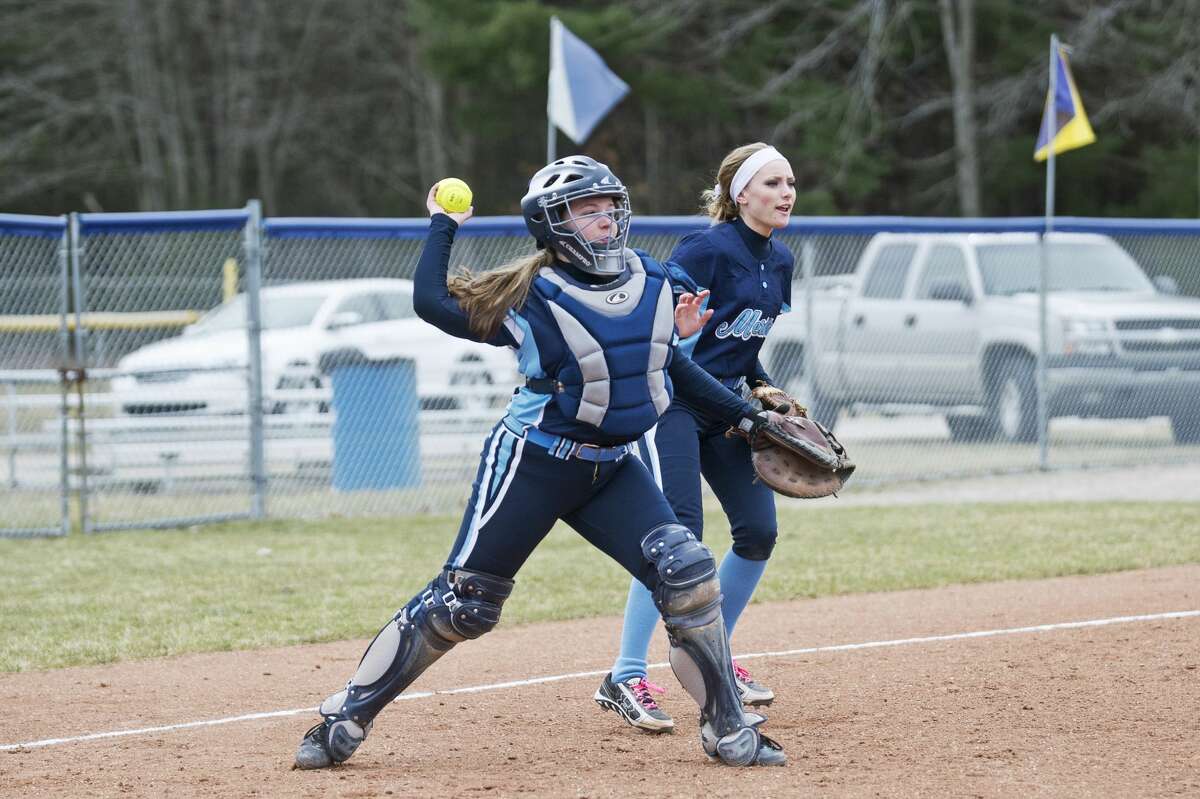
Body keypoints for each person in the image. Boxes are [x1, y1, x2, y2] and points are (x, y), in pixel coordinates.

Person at [293, 155, 787, 769]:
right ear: (552, 224)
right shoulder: (532, 295)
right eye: (585, 210)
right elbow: (431, 302)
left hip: (611, 468)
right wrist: (443, 224)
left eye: (610, 207)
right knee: (466, 603)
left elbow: (673, 367)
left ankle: (727, 726)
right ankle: (345, 715)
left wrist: (751, 418)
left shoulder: (654, 279)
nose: (604, 219)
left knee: (686, 570)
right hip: (534, 462)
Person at [593, 143, 795, 733]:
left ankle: (712, 654)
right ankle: (626, 674)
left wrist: (765, 391)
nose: (786, 193)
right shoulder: (705, 249)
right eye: (772, 183)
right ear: (740, 194)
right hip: (675, 403)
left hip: (729, 408)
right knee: (675, 539)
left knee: (758, 532)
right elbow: (662, 331)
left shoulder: (780, 260)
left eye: (790, 183)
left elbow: (742, 347)